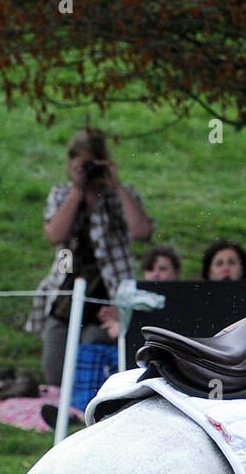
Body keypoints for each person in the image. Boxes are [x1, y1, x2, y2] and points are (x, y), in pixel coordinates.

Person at [26, 127, 154, 385]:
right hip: (66, 292)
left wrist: (115, 184)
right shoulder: (62, 194)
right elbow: (54, 234)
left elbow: (141, 231)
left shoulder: (120, 196)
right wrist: (78, 190)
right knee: (55, 374)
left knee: (94, 353)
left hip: (110, 294)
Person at [97, 244, 182, 342]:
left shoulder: (187, 299)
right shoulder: (131, 298)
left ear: (176, 272)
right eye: (150, 269)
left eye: (162, 269)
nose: (156, 274)